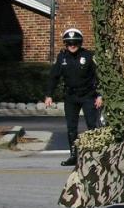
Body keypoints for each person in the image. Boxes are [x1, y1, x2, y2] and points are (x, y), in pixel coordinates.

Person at [44, 28, 103, 166]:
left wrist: (100, 95)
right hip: (71, 96)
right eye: (69, 43)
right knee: (71, 127)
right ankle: (73, 155)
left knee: (92, 125)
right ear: (65, 43)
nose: (72, 45)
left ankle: (96, 155)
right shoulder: (62, 57)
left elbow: (99, 76)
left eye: (75, 43)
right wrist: (49, 95)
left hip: (88, 95)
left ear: (80, 43)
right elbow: (54, 77)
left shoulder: (88, 56)